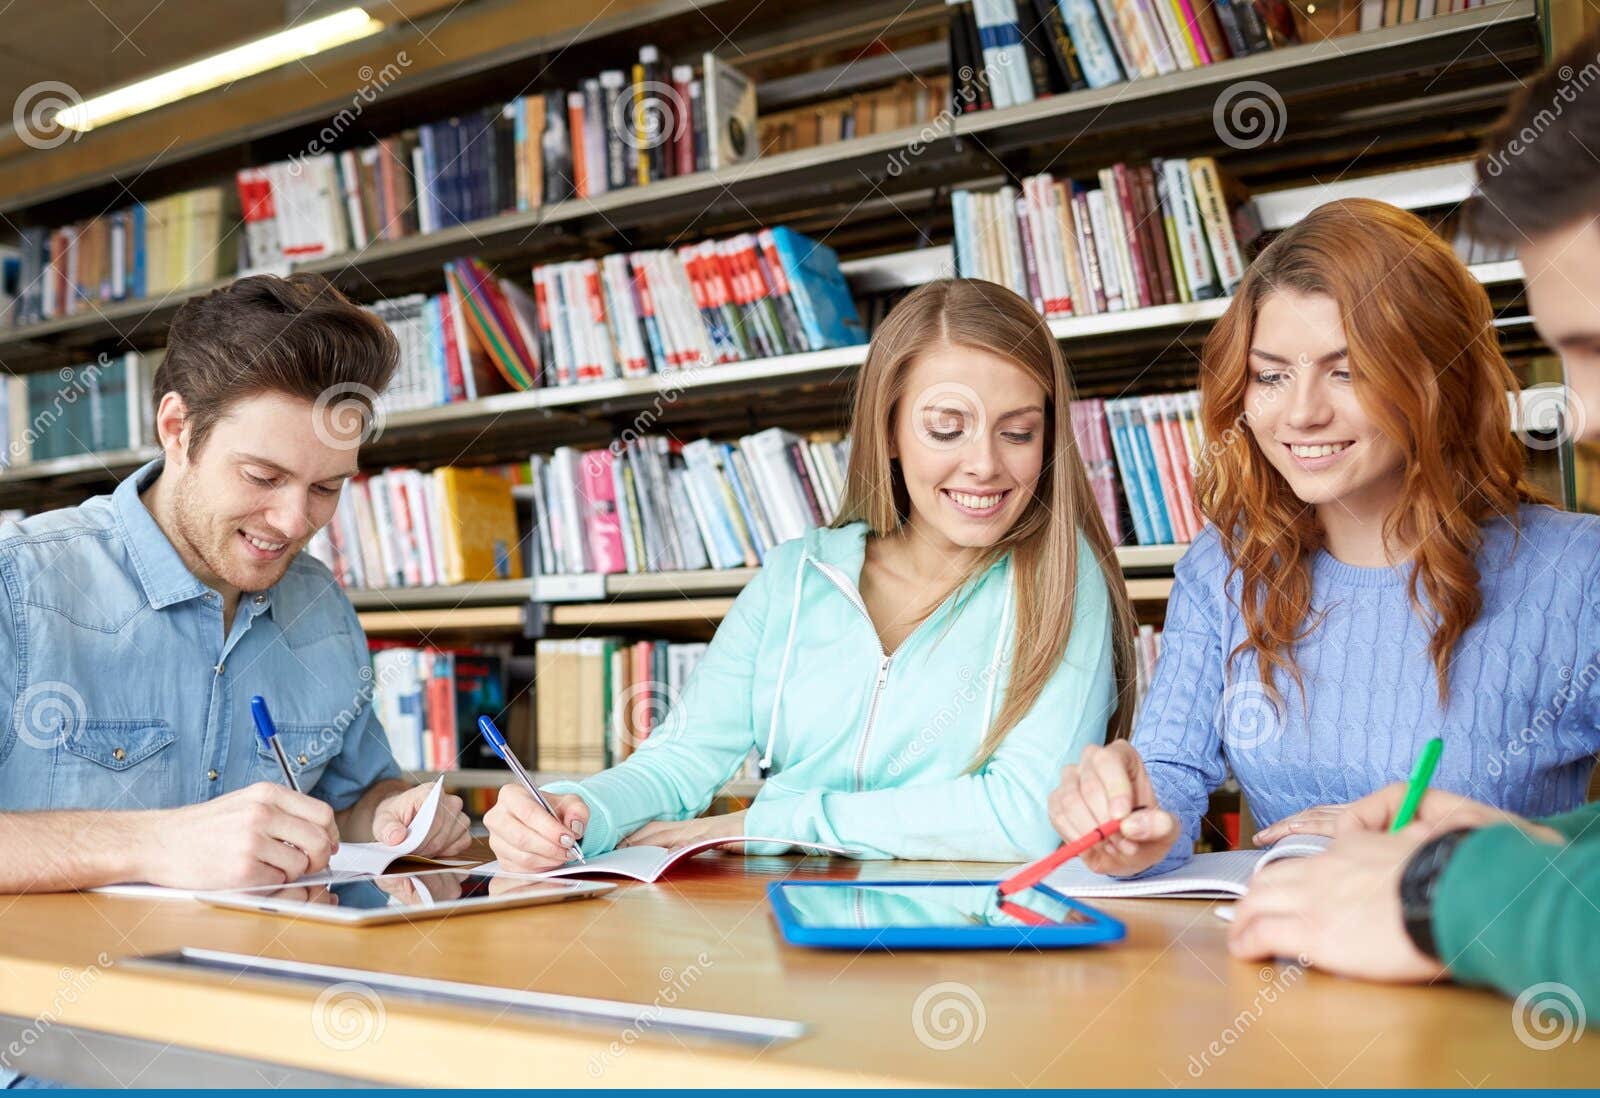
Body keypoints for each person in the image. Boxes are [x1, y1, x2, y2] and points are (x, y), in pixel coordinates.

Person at [485, 278, 1135, 870]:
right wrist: (576, 810)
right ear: (888, 431)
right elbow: (679, 763)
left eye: (1017, 433)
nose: (985, 464)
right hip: (785, 926)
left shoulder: (1060, 580)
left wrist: (773, 821)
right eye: (946, 428)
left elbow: (1022, 816)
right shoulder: (798, 575)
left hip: (970, 945)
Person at [1045, 197, 1600, 881]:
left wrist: (1465, 845)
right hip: (1279, 963)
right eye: (1271, 374)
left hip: (1488, 976)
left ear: (1438, 376)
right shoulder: (1224, 567)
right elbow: (1173, 772)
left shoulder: (1579, 572)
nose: (1302, 412)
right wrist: (1131, 814)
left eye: (1348, 370)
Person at [1228, 31, 1600, 1007]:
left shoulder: (1572, 567)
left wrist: (1444, 891)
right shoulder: (1228, 571)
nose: (1586, 416)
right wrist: (1525, 847)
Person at [0, 274, 472, 898]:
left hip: (275, 987)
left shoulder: (320, 605)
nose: (296, 521)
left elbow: (355, 797)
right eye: (262, 476)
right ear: (177, 429)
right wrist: (156, 844)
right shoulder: (20, 584)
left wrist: (394, 815)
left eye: (327, 488)